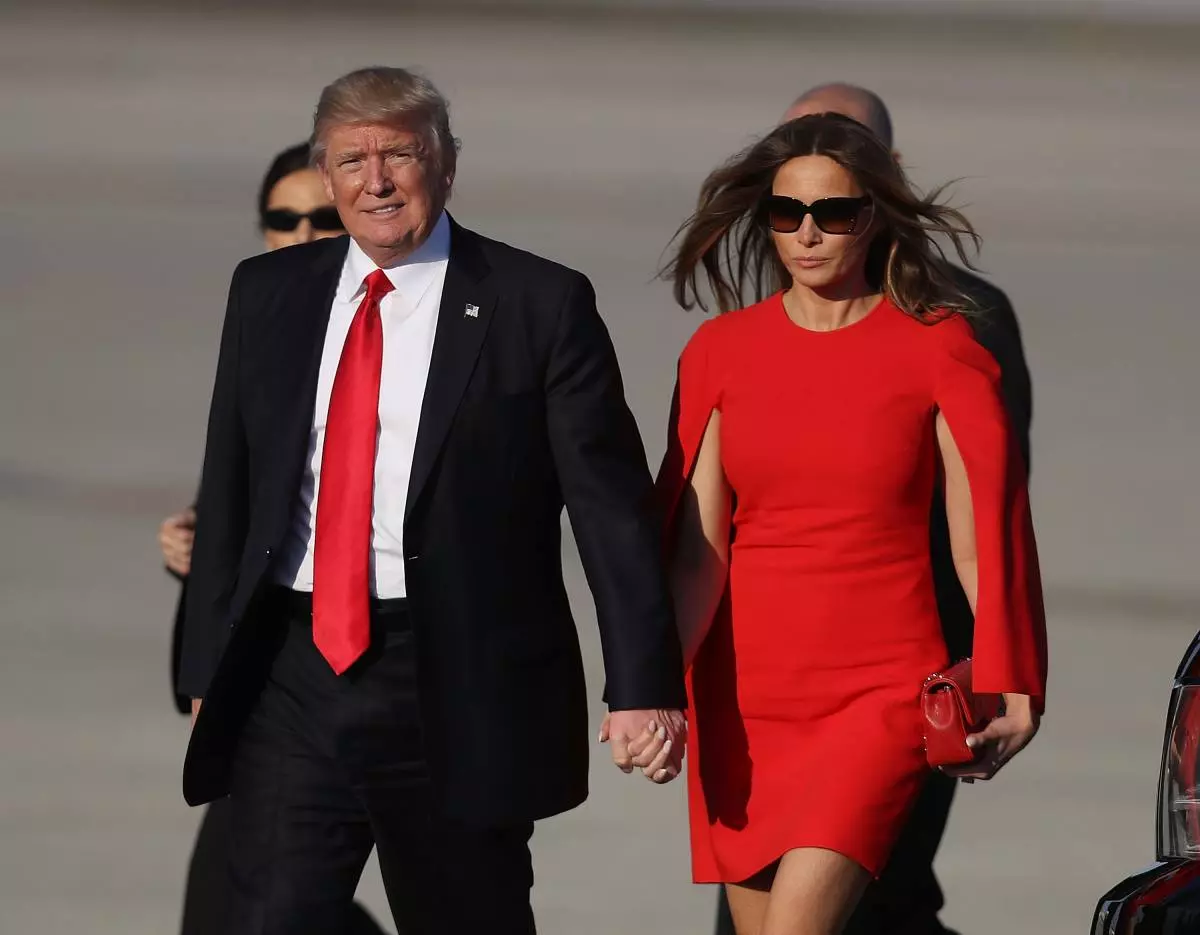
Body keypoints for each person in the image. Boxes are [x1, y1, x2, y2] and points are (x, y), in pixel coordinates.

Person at [177, 66, 686, 935]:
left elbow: (609, 509)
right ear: (326, 173)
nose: (374, 181)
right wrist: (200, 663)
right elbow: (231, 483)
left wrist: (641, 683)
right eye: (350, 160)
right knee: (267, 919)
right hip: (293, 671)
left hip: (453, 676)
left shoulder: (538, 304)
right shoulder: (268, 293)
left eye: (398, 155)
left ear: (445, 166)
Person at [640, 112, 1047, 935]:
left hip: (877, 694)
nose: (808, 234)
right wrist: (647, 687)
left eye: (834, 212)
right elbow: (698, 555)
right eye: (786, 214)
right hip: (744, 699)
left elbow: (982, 540)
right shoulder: (720, 352)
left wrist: (1015, 675)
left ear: (874, 216)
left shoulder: (940, 349)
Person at [157, 143, 388, 935]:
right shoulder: (261, 325)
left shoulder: (413, 325)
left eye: (322, 219)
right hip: (272, 688)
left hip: (399, 675)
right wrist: (197, 545)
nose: (301, 234)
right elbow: (242, 497)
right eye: (281, 220)